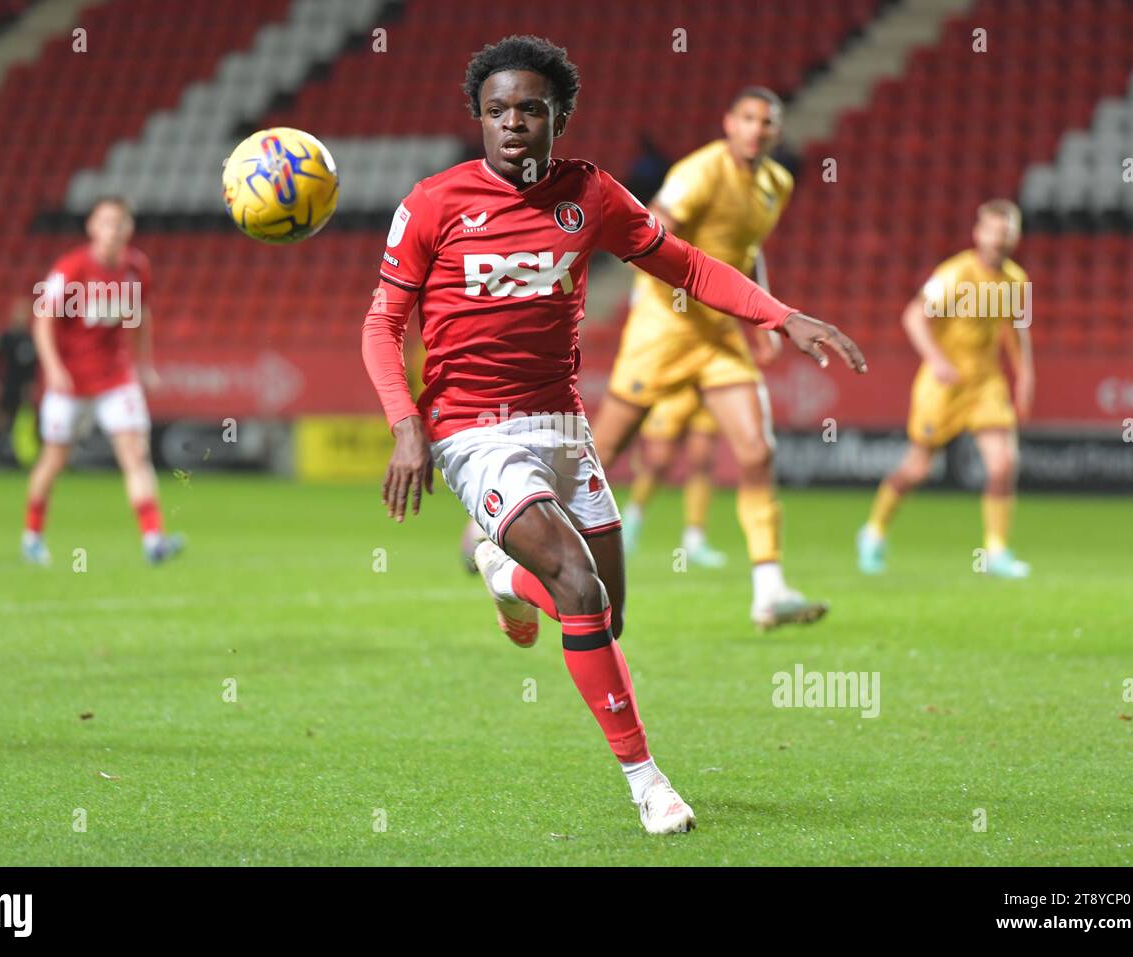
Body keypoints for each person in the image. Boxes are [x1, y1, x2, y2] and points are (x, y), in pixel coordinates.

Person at [361, 36, 866, 833]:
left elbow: (690, 267)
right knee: (577, 583)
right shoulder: (432, 204)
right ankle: (648, 782)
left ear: (558, 116)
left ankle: (503, 578)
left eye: (531, 108)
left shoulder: (591, 195)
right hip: (472, 430)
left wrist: (783, 315)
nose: (513, 123)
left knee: (602, 615)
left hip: (563, 425)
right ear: (478, 120)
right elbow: (382, 323)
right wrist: (405, 425)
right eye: (496, 111)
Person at [587, 87, 826, 630]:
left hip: (718, 335)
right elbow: (653, 227)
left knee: (756, 449)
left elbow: (747, 250)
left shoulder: (776, 183)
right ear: (729, 123)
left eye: (768, 122)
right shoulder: (699, 172)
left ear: (777, 132)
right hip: (665, 327)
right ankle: (508, 532)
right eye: (748, 118)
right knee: (602, 451)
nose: (758, 129)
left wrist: (762, 316)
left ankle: (769, 590)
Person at [858, 199, 1033, 578]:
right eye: (994, 230)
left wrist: (1026, 375)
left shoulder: (1017, 281)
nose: (1001, 238)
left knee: (1004, 463)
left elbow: (1017, 331)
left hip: (986, 382)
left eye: (1008, 231)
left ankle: (996, 550)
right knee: (916, 469)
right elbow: (913, 316)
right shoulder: (954, 274)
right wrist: (936, 359)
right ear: (978, 233)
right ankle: (873, 531)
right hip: (943, 384)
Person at [22, 196, 184, 565]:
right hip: (72, 382)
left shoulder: (136, 267)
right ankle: (32, 535)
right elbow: (43, 321)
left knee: (135, 455)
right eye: (105, 222)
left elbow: (141, 315)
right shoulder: (70, 268)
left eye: (119, 223)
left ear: (129, 229)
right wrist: (53, 368)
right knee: (54, 458)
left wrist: (144, 363)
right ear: (92, 228)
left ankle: (153, 539)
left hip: (116, 377)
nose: (112, 231)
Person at [620, 385, 730, 568]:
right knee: (658, 461)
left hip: (705, 387)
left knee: (702, 461)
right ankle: (630, 525)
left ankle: (694, 541)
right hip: (674, 386)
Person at [0, 296, 39, 463]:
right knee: (2, 417)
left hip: (23, 387)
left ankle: (20, 454)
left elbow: (33, 367)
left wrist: (31, 386)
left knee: (23, 421)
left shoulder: (30, 339)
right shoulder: (5, 337)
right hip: (7, 384)